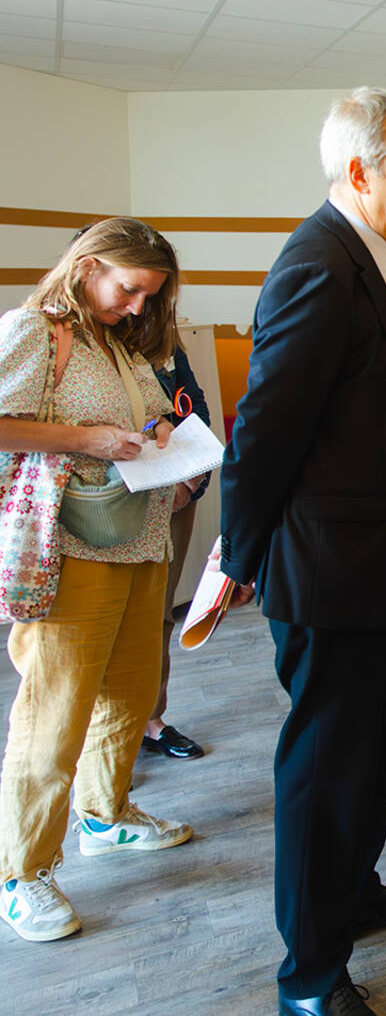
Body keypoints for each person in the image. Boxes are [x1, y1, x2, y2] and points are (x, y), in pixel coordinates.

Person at [217, 87, 386, 1015]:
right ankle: (310, 974)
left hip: (377, 563)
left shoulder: (375, 260)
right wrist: (235, 557)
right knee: (321, 767)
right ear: (361, 171)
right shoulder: (317, 263)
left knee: (363, 751)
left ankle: (353, 892)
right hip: (328, 571)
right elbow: (264, 431)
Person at [0, 217, 188, 944]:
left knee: (131, 692)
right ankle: (22, 873)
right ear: (87, 266)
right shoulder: (33, 329)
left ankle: (106, 816)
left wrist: (162, 435)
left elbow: (135, 422)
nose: (140, 306)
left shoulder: (117, 340)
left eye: (151, 296)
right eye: (131, 288)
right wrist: (88, 440)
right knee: (55, 713)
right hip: (73, 548)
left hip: (138, 540)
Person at [143, 341, 214, 760]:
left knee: (160, 614)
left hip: (176, 498)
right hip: (114, 503)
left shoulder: (165, 335)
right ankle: (106, 738)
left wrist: (190, 483)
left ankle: (152, 720)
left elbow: (196, 410)